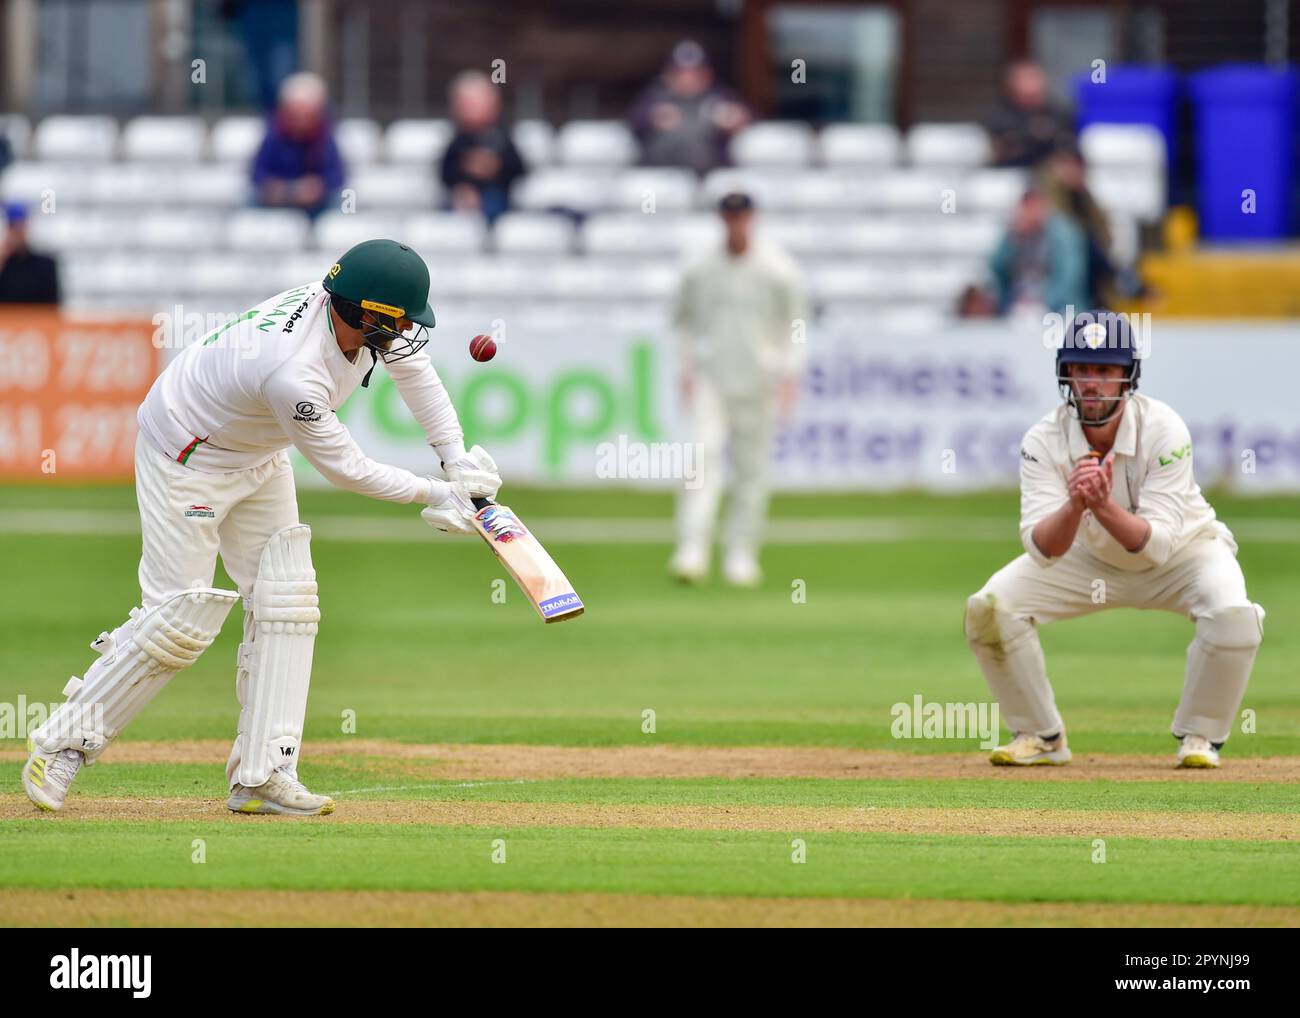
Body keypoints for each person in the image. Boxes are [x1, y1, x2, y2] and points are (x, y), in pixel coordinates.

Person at [22, 239, 502, 816]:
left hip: (256, 453)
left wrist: (457, 463)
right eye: (396, 323)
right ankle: (61, 746)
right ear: (364, 313)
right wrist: (435, 494)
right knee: (180, 619)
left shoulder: (354, 314)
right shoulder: (292, 372)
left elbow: (417, 375)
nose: (404, 336)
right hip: (187, 456)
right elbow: (346, 469)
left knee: (287, 601)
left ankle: (265, 773)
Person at [965, 310, 1264, 769]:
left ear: (1128, 376)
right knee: (989, 610)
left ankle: (1201, 737)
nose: (1092, 383)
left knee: (1234, 616)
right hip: (1088, 560)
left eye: (1105, 370)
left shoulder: (1165, 430)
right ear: (1066, 375)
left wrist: (1102, 505)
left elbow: (1158, 546)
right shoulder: (1042, 440)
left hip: (1184, 556)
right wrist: (1076, 505)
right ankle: (1041, 735)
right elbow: (1043, 551)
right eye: (1082, 369)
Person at [670, 192, 808, 586]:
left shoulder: (778, 269)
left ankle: (741, 554)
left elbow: (796, 327)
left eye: (742, 217)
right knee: (701, 462)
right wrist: (686, 368)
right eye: (729, 217)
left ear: (753, 218)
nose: (736, 224)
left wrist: (789, 376)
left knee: (751, 470)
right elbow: (682, 321)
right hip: (712, 379)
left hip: (760, 382)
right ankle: (692, 550)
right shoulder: (699, 267)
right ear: (721, 219)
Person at [628, 40, 750, 175]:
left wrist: (736, 120)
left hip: (708, 176)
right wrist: (652, 118)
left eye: (695, 73)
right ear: (669, 74)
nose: (688, 79)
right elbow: (634, 122)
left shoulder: (721, 96)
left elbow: (748, 118)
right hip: (661, 175)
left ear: (708, 74)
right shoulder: (655, 96)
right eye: (680, 73)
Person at [250, 71, 345, 218]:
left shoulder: (325, 136)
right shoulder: (274, 133)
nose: (300, 118)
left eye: (305, 111)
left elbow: (337, 177)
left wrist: (317, 187)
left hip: (318, 208)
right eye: (295, 112)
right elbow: (257, 175)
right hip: (276, 205)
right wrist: (277, 189)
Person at [440, 71, 526, 224]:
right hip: (462, 199)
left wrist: (495, 167)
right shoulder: (458, 143)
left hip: (497, 199)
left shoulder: (501, 139)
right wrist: (463, 183)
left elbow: (518, 169)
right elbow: (446, 172)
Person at [989, 187, 1088, 318]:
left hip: (1057, 307)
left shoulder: (1063, 233)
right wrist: (1012, 239)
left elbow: (1070, 278)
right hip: (1018, 305)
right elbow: (996, 267)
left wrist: (1043, 301)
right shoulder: (1015, 233)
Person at [985, 59, 1075, 169]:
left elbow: (1069, 144)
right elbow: (997, 149)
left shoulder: (1057, 113)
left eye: (1034, 78)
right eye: (1026, 78)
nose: (1032, 84)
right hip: (1010, 174)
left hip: (1050, 174)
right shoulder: (1000, 116)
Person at [0, 202, 60, 305]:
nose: (16, 233)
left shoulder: (45, 266)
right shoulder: (3, 265)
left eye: (20, 226)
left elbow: (52, 308)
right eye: (12, 227)